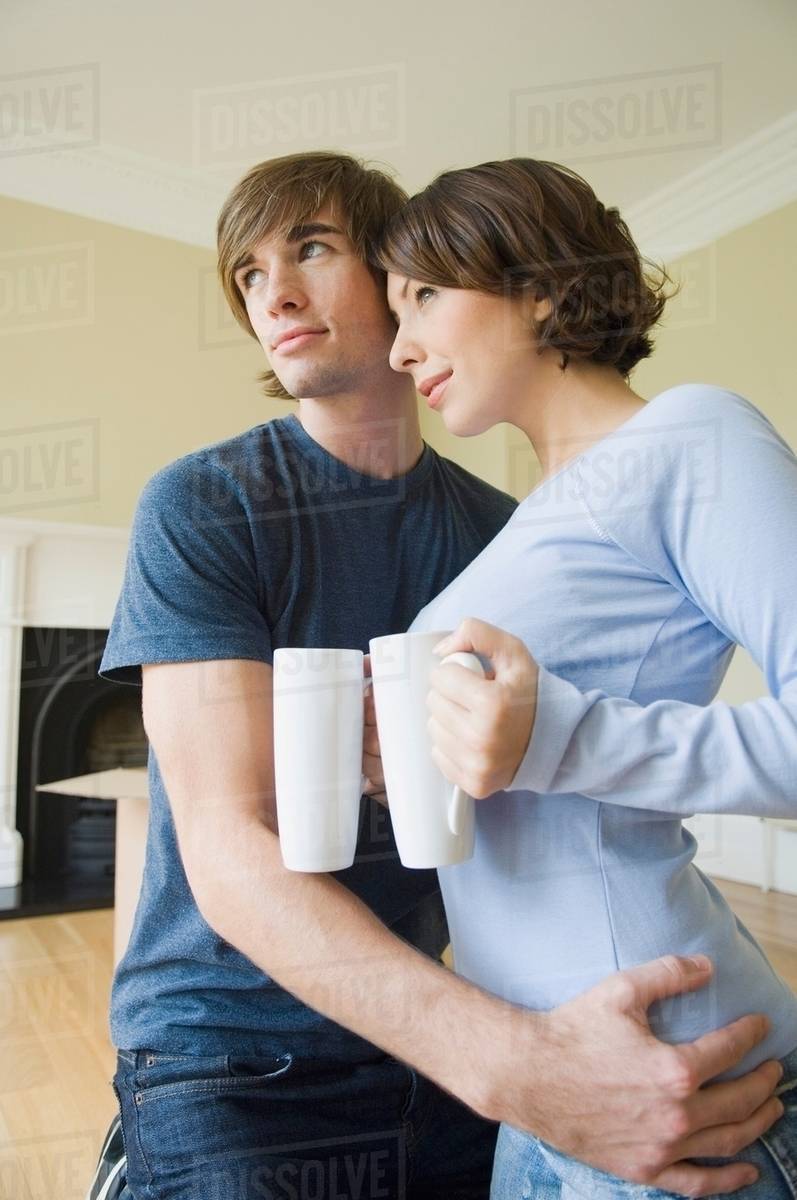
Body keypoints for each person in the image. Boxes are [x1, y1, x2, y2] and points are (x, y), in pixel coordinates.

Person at [94, 151, 780, 1200]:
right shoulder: (206, 503)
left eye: (313, 250)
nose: (270, 293)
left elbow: (547, 757)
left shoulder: (502, 523)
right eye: (244, 275)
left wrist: (515, 1064)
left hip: (486, 1045)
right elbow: (226, 847)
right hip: (243, 1055)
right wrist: (517, 1071)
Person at [379, 156, 797, 1198]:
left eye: (424, 294)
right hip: (549, 1081)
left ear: (541, 285)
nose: (399, 346)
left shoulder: (691, 433)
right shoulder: (532, 520)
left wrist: (553, 741)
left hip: (682, 1082)